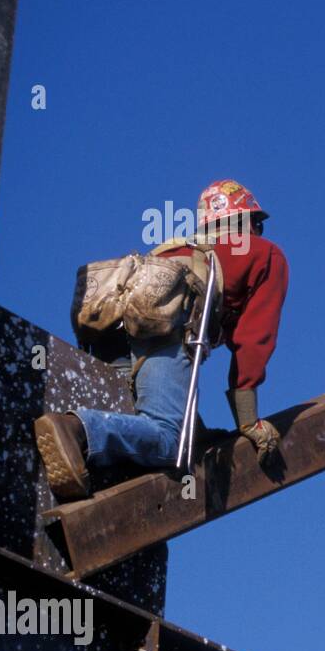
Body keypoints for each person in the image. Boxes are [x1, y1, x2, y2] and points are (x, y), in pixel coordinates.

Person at [34, 179, 289, 500]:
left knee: (144, 431)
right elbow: (255, 338)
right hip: (164, 330)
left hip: (113, 331)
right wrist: (249, 421)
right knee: (170, 443)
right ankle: (78, 431)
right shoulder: (264, 254)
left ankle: (80, 466)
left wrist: (196, 430)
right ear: (248, 221)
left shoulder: (179, 249)